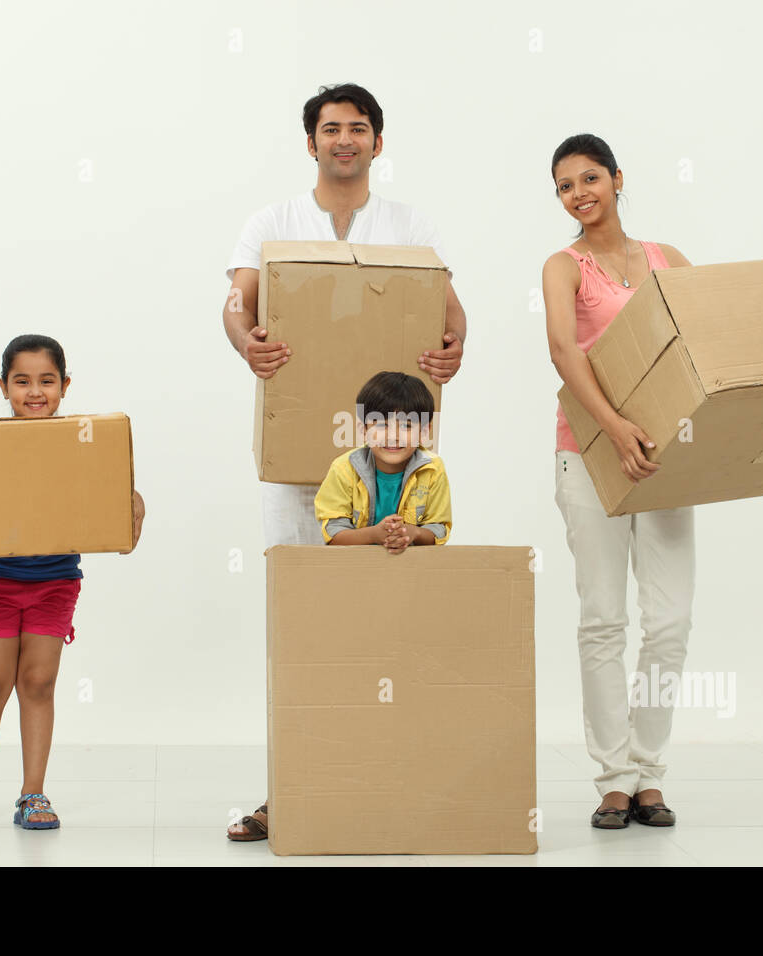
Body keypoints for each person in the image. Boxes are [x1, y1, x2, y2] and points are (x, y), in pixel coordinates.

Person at [542, 134, 763, 830]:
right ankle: (612, 779)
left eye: (589, 178)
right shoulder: (563, 266)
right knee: (604, 620)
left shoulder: (669, 261)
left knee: (669, 621)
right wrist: (612, 426)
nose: (580, 193)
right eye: (564, 186)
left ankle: (649, 775)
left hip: (670, 457)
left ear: (616, 177)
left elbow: (718, 350)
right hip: (591, 452)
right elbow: (562, 350)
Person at [222, 83, 468, 841]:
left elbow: (448, 311)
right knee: (300, 622)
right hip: (300, 463)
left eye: (358, 129)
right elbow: (238, 302)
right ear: (311, 143)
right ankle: (290, 788)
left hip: (388, 466)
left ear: (377, 143)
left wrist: (454, 344)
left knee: (385, 628)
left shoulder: (408, 225)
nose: (344, 140)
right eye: (331, 129)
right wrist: (246, 339)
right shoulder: (273, 223)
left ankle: (378, 782)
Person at [0, 334, 146, 830]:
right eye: (22, 381)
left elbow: (118, 488)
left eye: (46, 380)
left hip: (56, 582)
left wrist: (132, 515)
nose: (34, 391)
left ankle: (33, 794)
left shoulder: (77, 441)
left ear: (64, 386)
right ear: (3, 387)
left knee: (38, 683)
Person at [315, 371, 452, 551]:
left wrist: (413, 533)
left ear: (424, 432)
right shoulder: (343, 468)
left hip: (409, 569)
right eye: (381, 425)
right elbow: (332, 534)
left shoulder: (433, 469)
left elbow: (439, 530)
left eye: (406, 426)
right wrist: (374, 535)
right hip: (354, 569)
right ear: (363, 429)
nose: (393, 436)